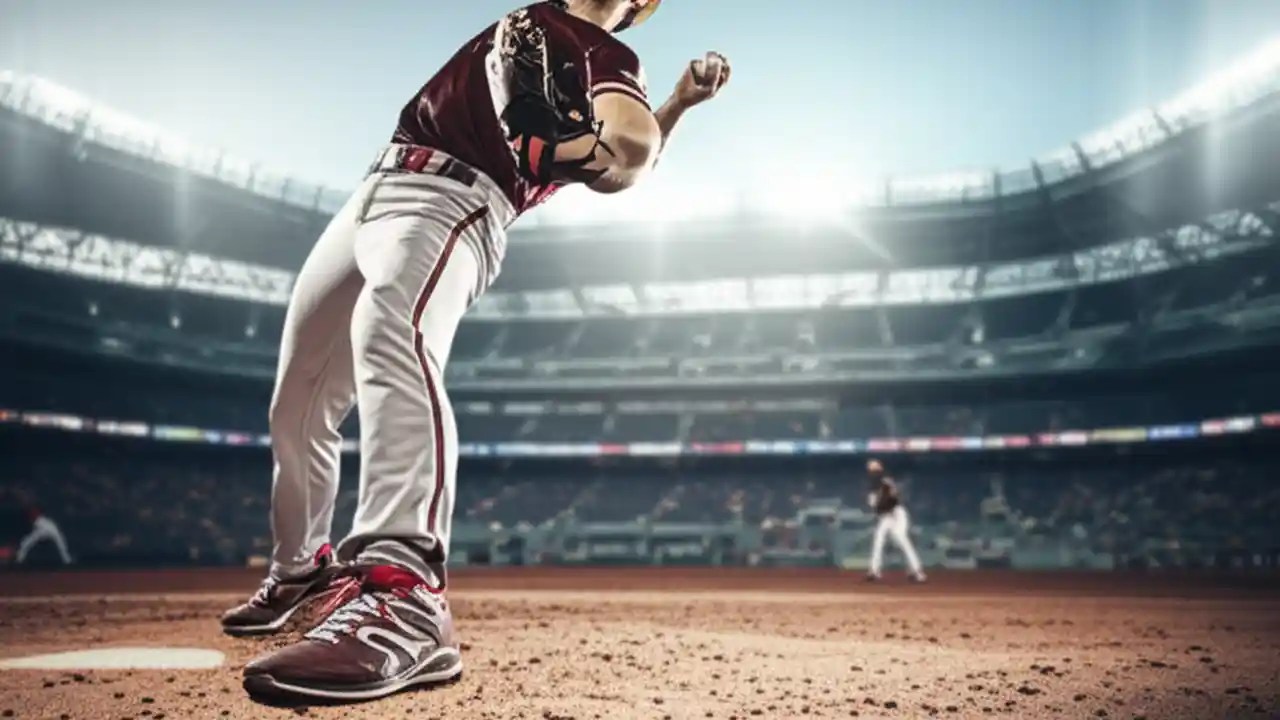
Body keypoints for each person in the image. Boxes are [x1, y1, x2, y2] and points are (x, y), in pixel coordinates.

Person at [223, 0, 731, 702]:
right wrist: (663, 108)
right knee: (299, 399)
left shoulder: (603, 53)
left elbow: (626, 156)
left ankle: (405, 595)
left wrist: (653, 112)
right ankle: (302, 573)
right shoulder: (539, 19)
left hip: (455, 195)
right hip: (374, 190)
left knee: (393, 333)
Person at [864, 459, 926, 582]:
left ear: (880, 469)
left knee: (900, 538)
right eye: (871, 469)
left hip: (897, 513)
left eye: (875, 469)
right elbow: (875, 506)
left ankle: (917, 571)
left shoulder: (886, 482)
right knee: (879, 539)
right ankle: (874, 571)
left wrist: (885, 499)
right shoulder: (872, 487)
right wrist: (878, 504)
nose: (873, 472)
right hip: (886, 516)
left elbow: (894, 498)